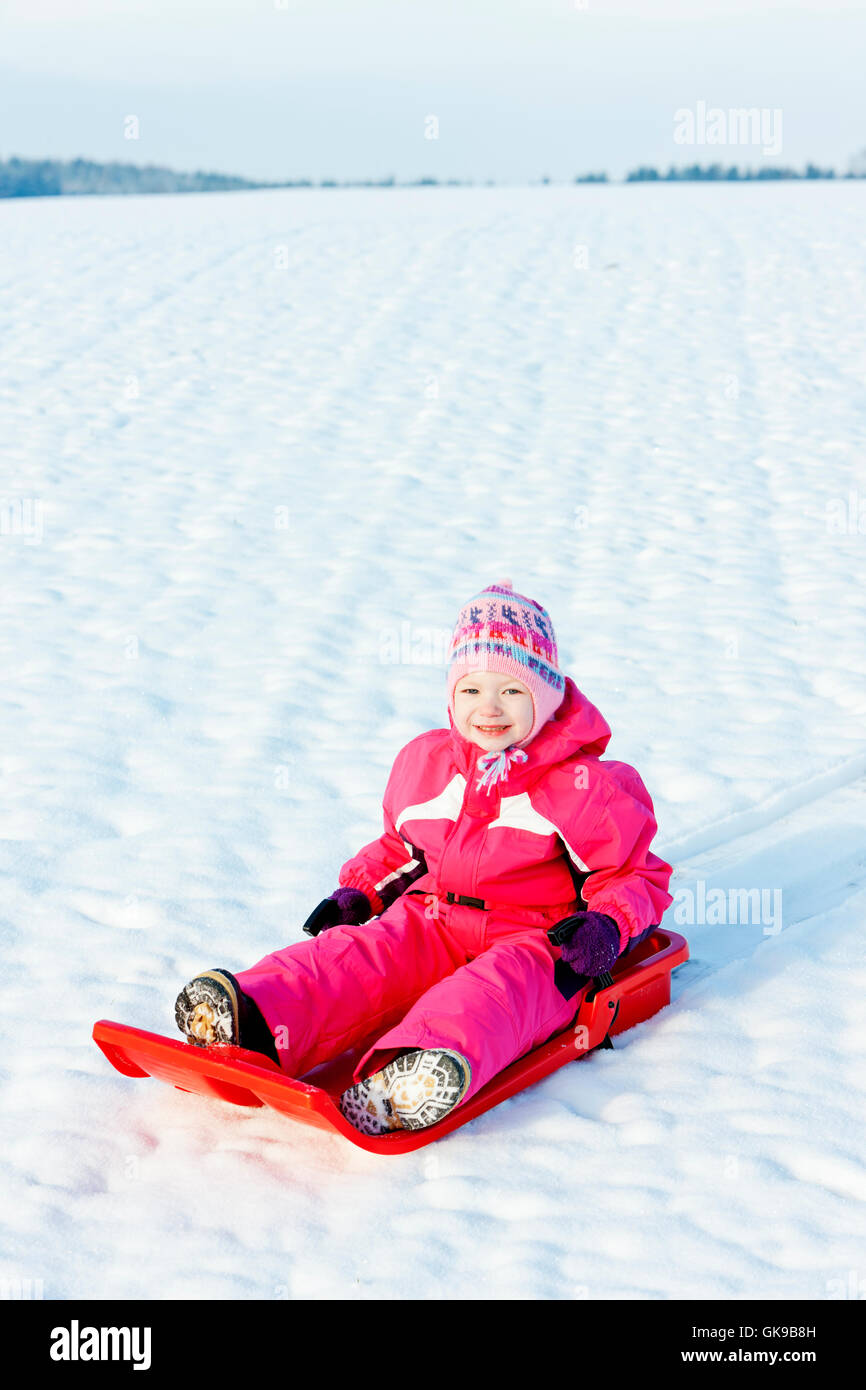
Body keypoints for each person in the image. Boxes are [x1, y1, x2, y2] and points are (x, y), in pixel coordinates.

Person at [175, 580, 673, 1135]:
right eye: (471, 690)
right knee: (361, 957)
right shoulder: (428, 763)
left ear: (547, 696)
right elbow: (401, 848)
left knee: (491, 996)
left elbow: (633, 875)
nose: (489, 708)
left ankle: (409, 1077)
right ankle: (255, 1019)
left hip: (538, 938)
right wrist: (359, 891)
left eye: (511, 691)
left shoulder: (586, 789)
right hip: (433, 917)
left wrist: (607, 924)